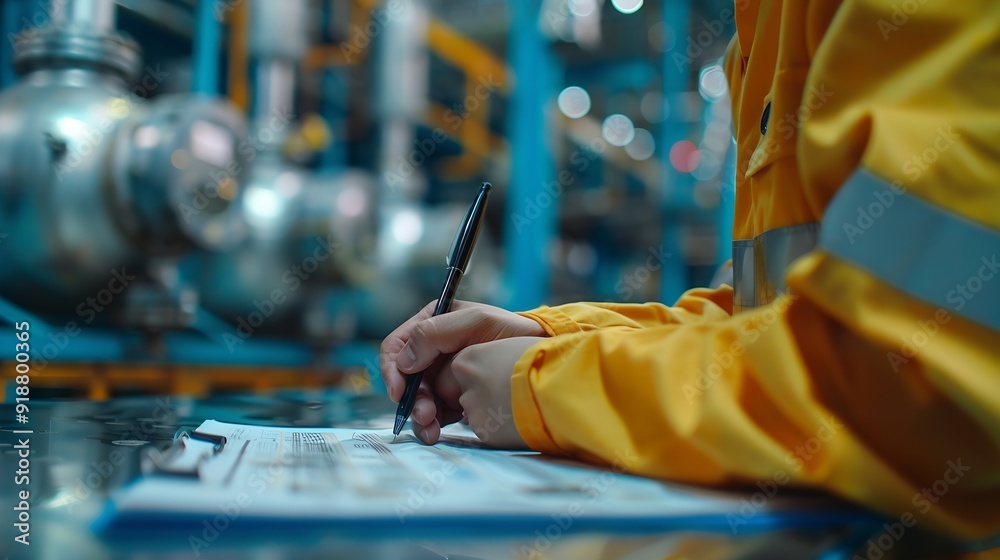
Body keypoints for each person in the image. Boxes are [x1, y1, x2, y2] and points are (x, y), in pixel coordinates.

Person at [380, 0, 1000, 540]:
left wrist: (543, 388)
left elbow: (915, 386)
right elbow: (756, 314)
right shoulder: (761, 30)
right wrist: (547, 335)